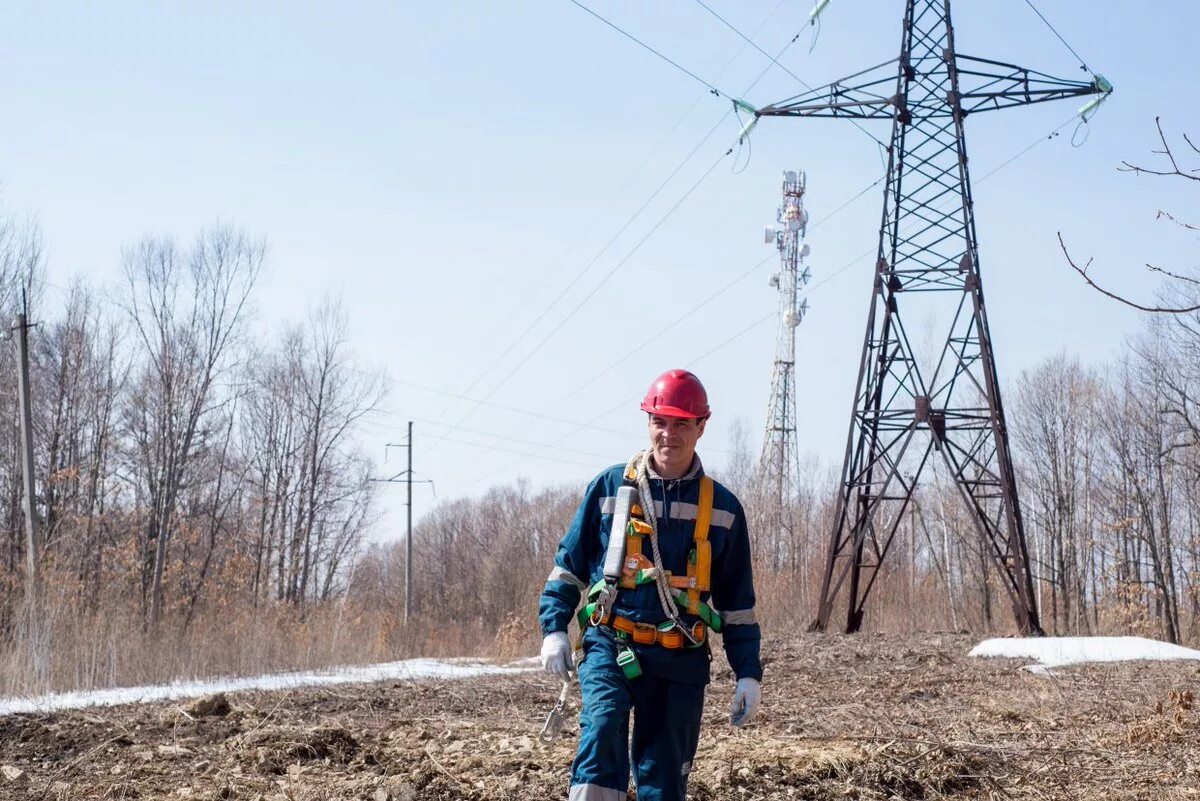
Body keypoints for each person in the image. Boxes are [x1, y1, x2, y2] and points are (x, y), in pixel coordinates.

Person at [538, 369, 762, 801]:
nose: (669, 434)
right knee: (600, 738)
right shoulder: (609, 488)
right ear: (647, 423)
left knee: (664, 779)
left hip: (681, 658)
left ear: (702, 426)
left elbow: (737, 605)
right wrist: (553, 630)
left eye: (681, 423)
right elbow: (568, 568)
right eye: (660, 422)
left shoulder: (723, 510)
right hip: (612, 643)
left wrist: (748, 672)